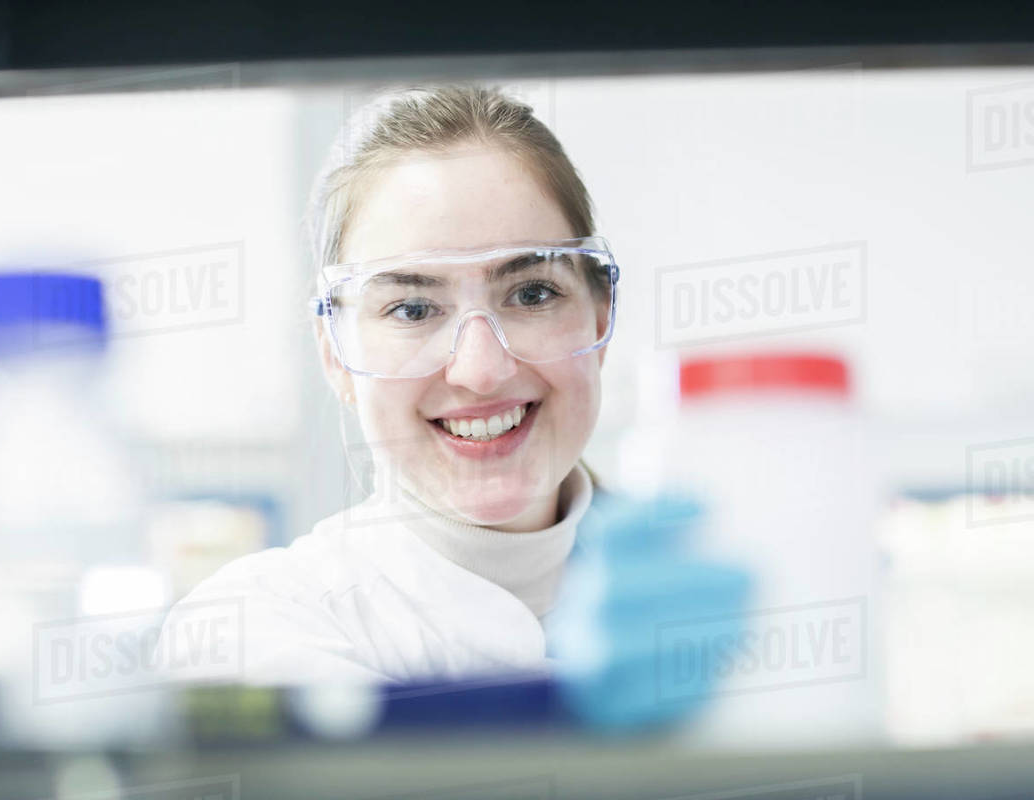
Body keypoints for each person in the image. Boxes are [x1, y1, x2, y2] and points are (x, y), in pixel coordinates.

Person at [158, 86, 748, 698]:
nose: (481, 370)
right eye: (413, 308)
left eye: (532, 294)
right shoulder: (254, 626)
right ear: (335, 353)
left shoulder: (724, 585)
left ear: (600, 321)